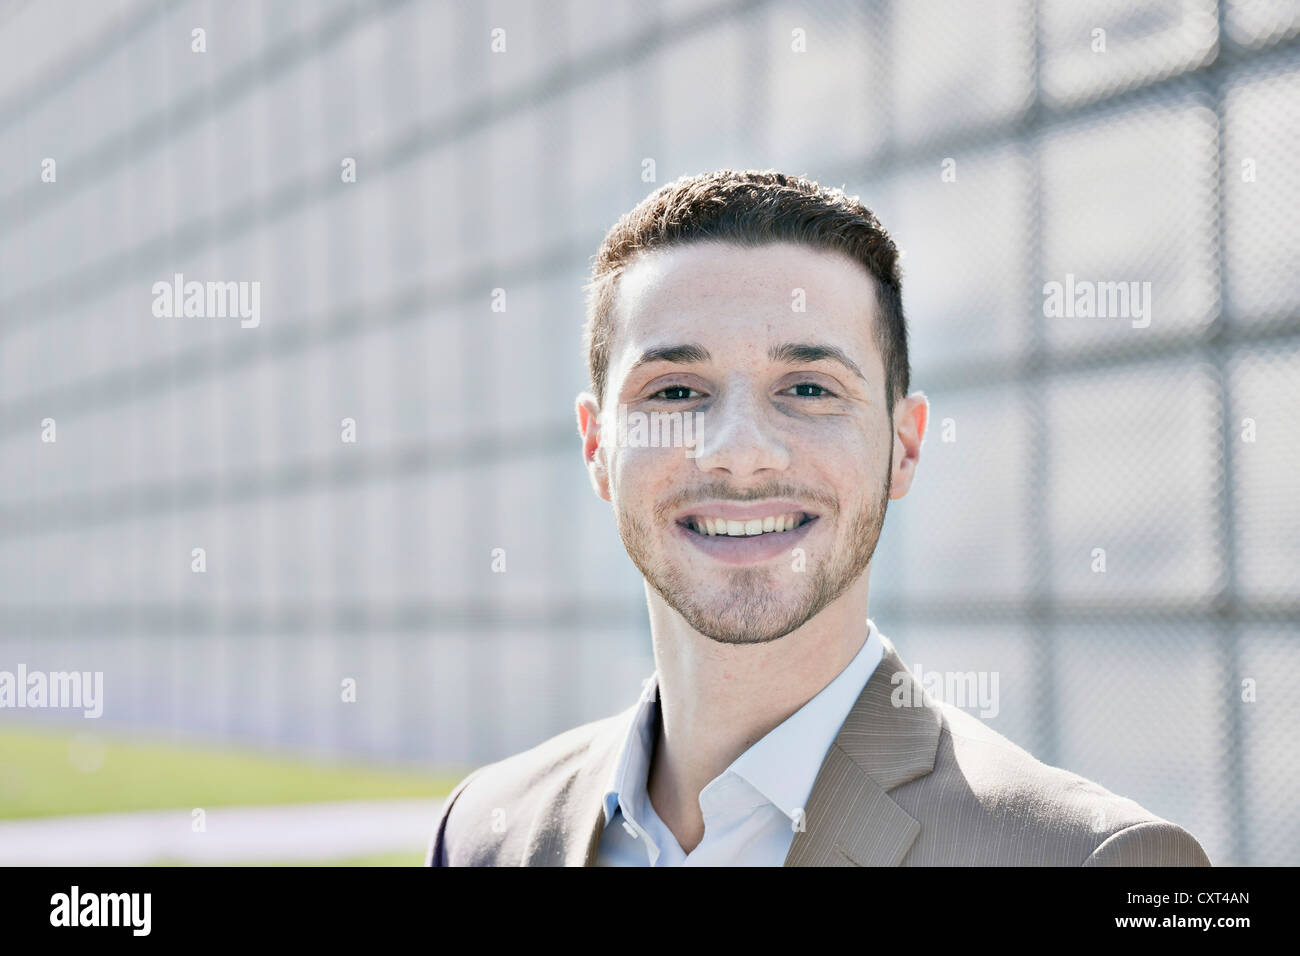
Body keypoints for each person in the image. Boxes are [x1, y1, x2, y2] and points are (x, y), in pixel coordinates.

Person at [427, 169, 1211, 867]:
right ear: (599, 447)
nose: (738, 454)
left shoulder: (1101, 862)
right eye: (673, 391)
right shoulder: (483, 832)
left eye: (808, 388)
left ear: (903, 447)